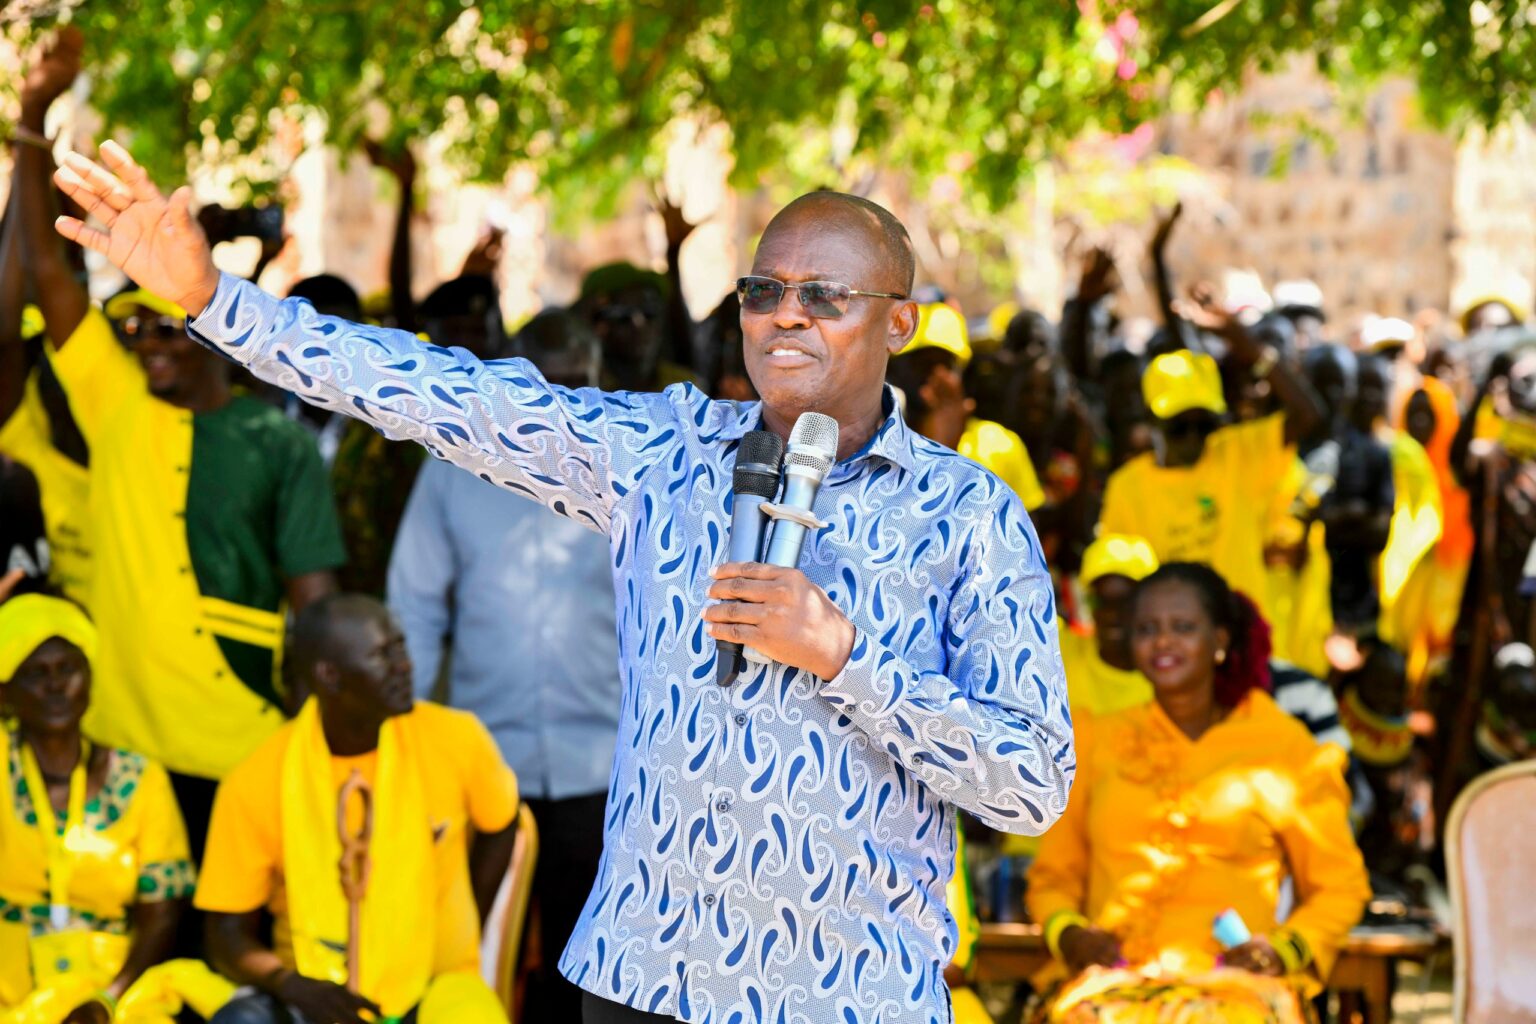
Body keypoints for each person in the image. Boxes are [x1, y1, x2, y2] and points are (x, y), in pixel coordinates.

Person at [55, 149, 1075, 1024]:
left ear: (899, 322)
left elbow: (1030, 783)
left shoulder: (967, 515)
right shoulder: (665, 451)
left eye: (825, 296)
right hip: (645, 971)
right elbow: (441, 395)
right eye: (764, 291)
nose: (784, 318)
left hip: (847, 991)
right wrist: (215, 302)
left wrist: (849, 659)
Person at [17, 42, 347, 855]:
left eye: (165, 322)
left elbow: (317, 613)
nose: (146, 341)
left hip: (243, 746)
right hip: (123, 748)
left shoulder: (277, 443)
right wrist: (30, 118)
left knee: (231, 955)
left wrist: (317, 752)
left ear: (206, 325)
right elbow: (52, 282)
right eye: (130, 325)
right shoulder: (116, 403)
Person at [387, 309, 615, 1022]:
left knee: (602, 970)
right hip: (485, 771)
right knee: (483, 962)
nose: (563, 401)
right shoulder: (454, 467)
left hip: (610, 770)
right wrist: (411, 737)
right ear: (514, 381)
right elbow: (415, 606)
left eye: (578, 385)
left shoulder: (632, 472)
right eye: (547, 385)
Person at [1028, 563, 1370, 1021]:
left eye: (1183, 627)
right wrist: (1069, 934)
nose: (1162, 641)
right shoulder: (1096, 740)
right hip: (1112, 988)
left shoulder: (1285, 748)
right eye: (1147, 628)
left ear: (1221, 640)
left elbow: (1340, 886)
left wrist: (1283, 950)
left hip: (1234, 991)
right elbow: (1053, 879)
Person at [196, 594, 517, 1024]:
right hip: (312, 992)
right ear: (330, 676)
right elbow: (225, 933)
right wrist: (290, 984)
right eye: (383, 656)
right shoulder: (257, 778)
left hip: (434, 985)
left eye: (401, 647)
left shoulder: (455, 739)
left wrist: (458, 925)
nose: (405, 665)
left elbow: (502, 822)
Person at [0, 595, 202, 1021]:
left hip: (111, 989)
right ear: (6, 692)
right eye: (36, 673)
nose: (56, 685)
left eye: (69, 669)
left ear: (90, 678)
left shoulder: (140, 776)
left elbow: (161, 912)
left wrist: (107, 999)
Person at [1098, 329, 1321, 622]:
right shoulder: (1126, 487)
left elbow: (1308, 415)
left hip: (1241, 644)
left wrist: (1242, 338)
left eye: (1204, 426)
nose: (1193, 438)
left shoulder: (1236, 453)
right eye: (1179, 427)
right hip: (1172, 650)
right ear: (1153, 420)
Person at [887, 302, 1047, 511]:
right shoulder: (878, 448)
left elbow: (1028, 534)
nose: (938, 378)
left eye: (946, 365)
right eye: (922, 365)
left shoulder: (1000, 445)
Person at [1300, 345, 1394, 635]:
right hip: (1295, 607)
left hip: (1352, 608)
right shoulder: (1286, 449)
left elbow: (1380, 533)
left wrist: (1324, 519)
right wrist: (1349, 516)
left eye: (1339, 383)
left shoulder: (1373, 454)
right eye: (1321, 383)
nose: (1331, 394)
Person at [1057, 534, 1157, 718]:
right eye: (1099, 600)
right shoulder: (1058, 652)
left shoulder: (1172, 676)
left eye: (1126, 601)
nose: (1112, 613)